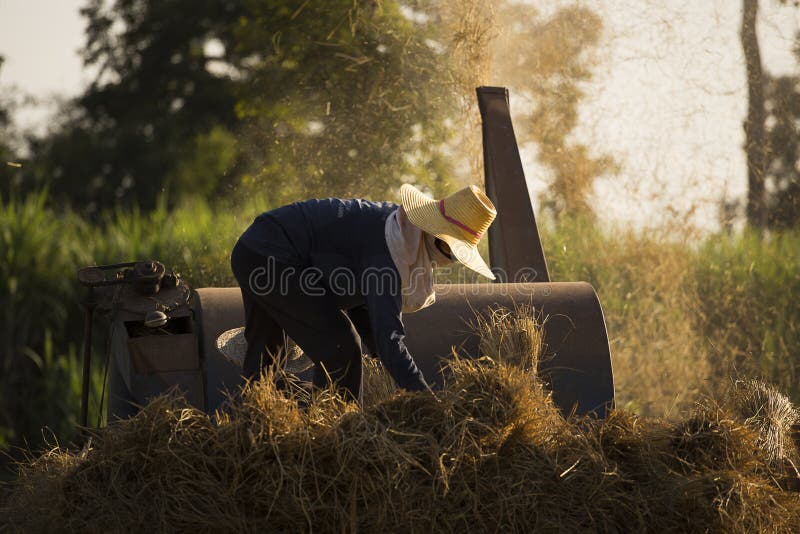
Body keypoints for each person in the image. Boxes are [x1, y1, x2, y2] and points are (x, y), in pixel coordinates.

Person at [229, 183, 497, 404]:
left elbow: (361, 306)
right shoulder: (391, 250)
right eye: (451, 251)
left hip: (254, 248)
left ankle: (241, 429)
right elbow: (389, 337)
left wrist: (380, 352)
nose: (448, 260)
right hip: (274, 255)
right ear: (435, 235)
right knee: (341, 347)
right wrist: (425, 399)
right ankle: (333, 432)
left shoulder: (397, 229)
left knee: (264, 371)